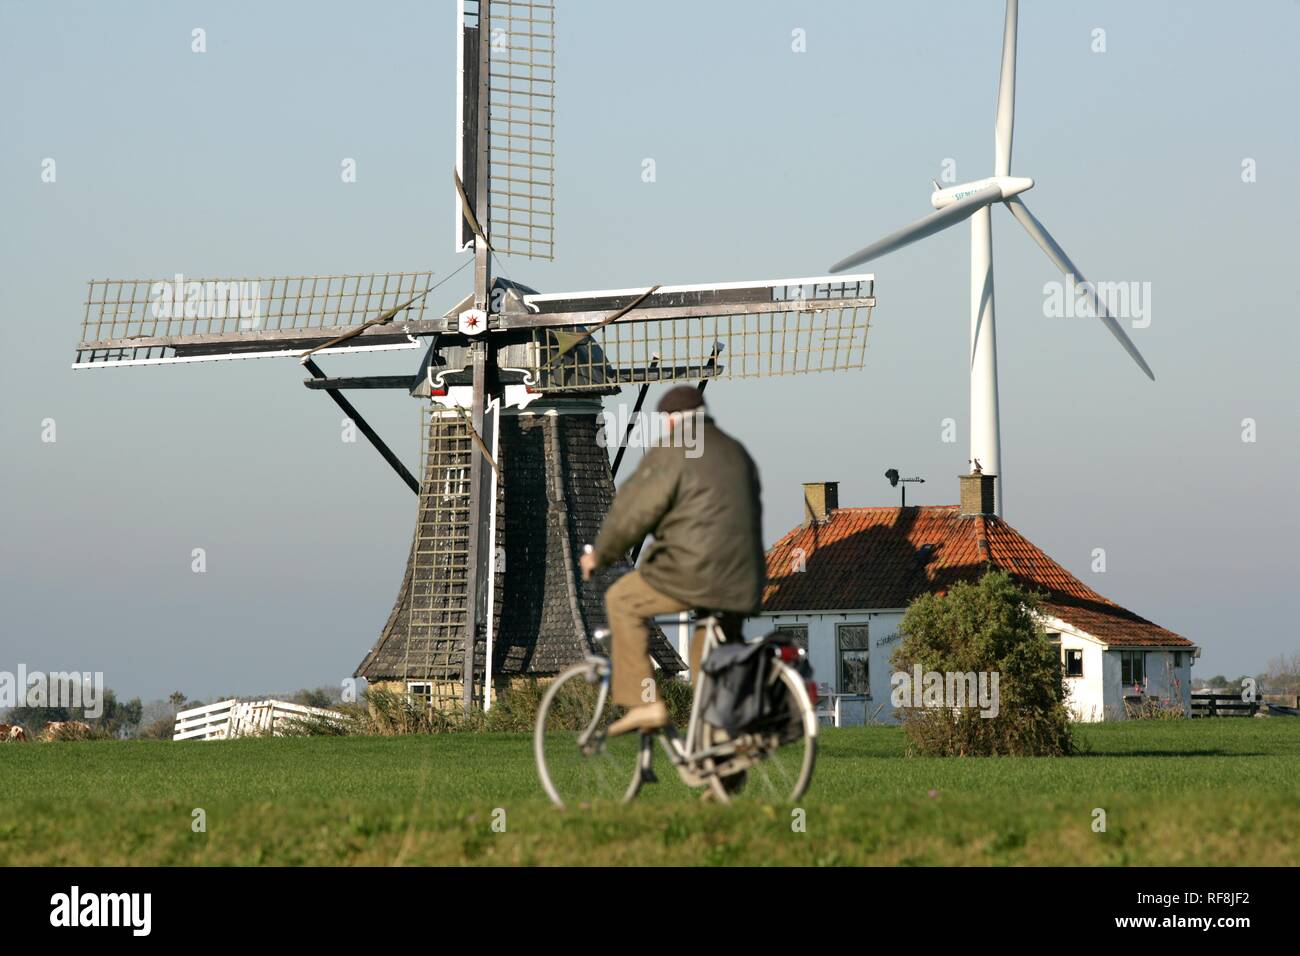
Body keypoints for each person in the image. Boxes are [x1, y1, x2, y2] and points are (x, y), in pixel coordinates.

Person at [580, 385, 765, 737]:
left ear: (673, 419)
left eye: (664, 420)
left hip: (695, 571)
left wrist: (599, 554)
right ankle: (720, 753)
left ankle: (642, 703)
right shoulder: (735, 450)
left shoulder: (675, 451)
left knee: (623, 600)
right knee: (709, 656)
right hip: (745, 578)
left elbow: (634, 511)